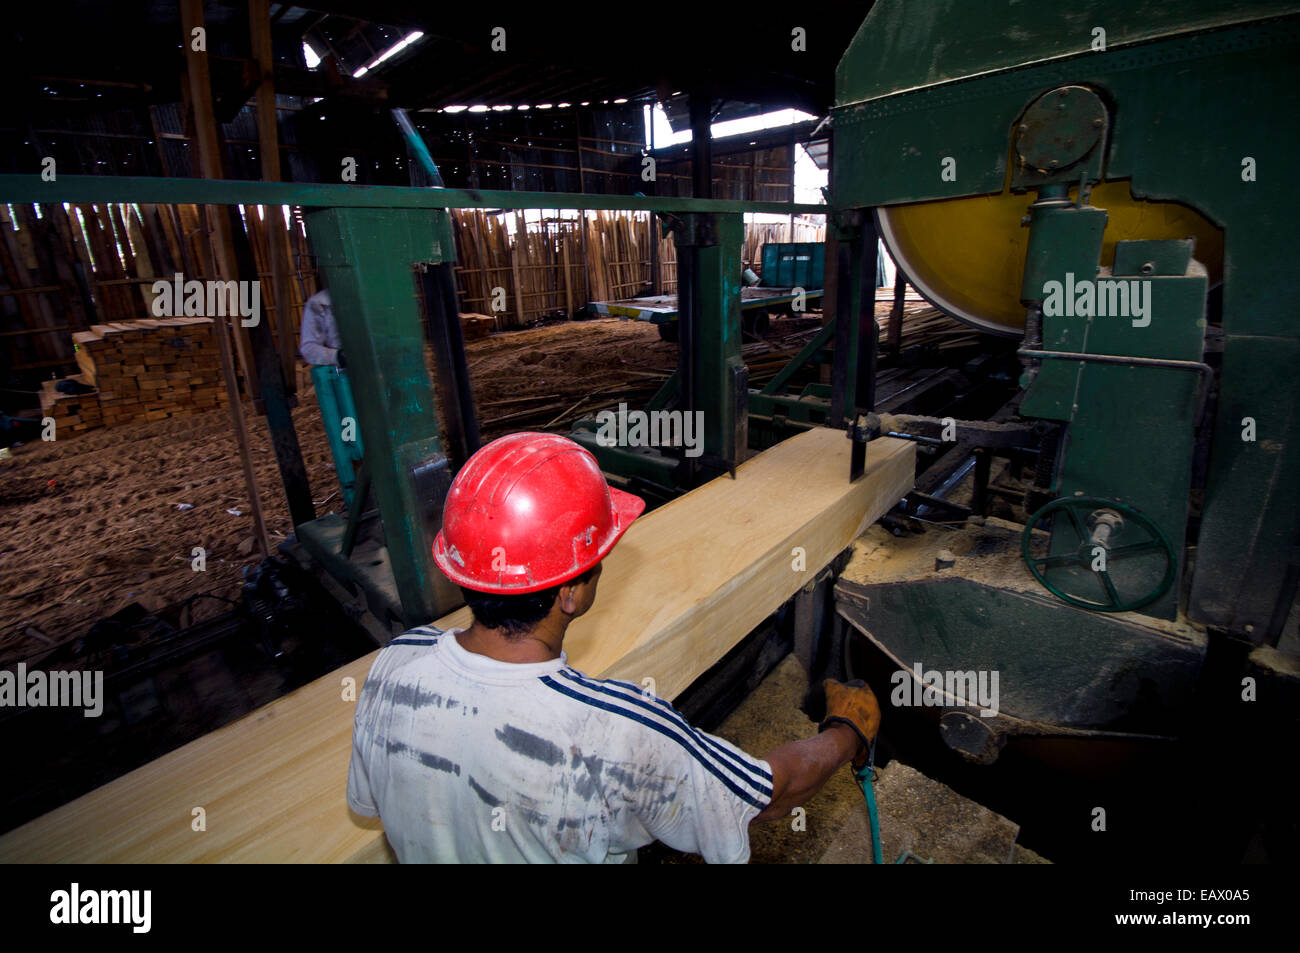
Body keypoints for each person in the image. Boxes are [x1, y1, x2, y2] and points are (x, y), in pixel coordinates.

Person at [346, 432, 881, 863]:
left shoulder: (396, 663)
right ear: (571, 593)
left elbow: (373, 805)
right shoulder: (617, 731)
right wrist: (846, 731)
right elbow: (767, 794)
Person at [299, 288, 365, 509]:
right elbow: (308, 348)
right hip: (343, 386)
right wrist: (337, 356)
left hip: (375, 380)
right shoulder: (321, 304)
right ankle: (358, 496)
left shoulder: (371, 294)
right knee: (351, 438)